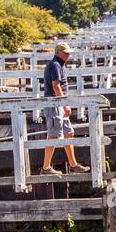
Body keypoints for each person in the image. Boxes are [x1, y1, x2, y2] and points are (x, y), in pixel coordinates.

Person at [40, 42, 90, 176]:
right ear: (57, 52)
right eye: (65, 52)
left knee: (69, 133)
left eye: (68, 52)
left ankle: (73, 164)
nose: (68, 55)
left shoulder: (58, 65)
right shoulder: (55, 65)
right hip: (55, 104)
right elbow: (56, 86)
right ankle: (45, 167)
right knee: (53, 135)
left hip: (59, 104)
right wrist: (64, 104)